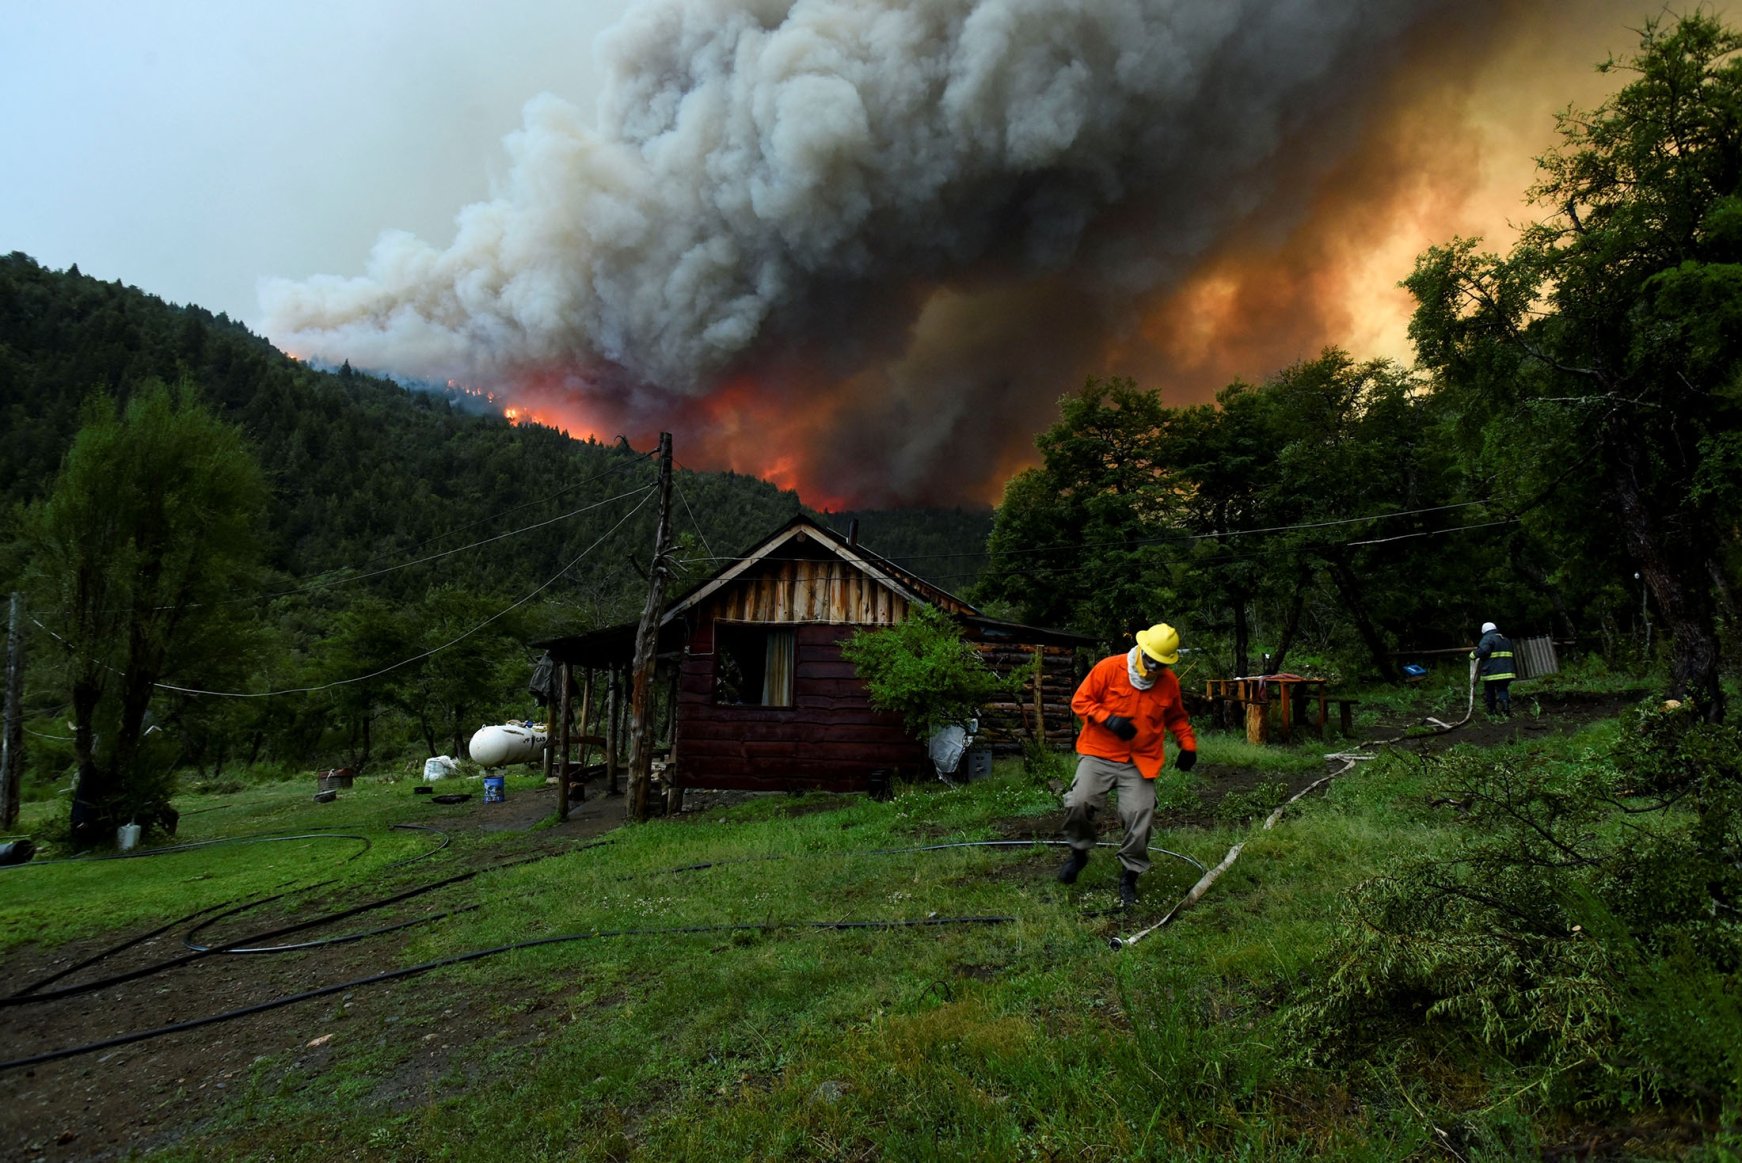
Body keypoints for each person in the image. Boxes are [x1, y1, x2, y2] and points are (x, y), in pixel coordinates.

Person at [1057, 622, 1198, 908]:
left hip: (1140, 760)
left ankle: (1129, 876)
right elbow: (1080, 701)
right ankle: (1079, 851)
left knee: (1140, 815)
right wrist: (1107, 718)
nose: (1153, 668)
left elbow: (1177, 718)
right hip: (1099, 752)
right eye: (1150, 660)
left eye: (1160, 664)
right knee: (1079, 802)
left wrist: (1188, 745)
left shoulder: (1168, 682)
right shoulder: (1109, 668)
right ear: (1142, 650)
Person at [1471, 621, 1516, 716]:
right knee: (1503, 689)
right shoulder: (1505, 639)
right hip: (1507, 672)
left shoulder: (1488, 639)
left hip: (1492, 672)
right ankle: (1506, 709)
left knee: (1489, 690)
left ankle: (1492, 711)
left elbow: (1483, 650)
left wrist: (1474, 654)